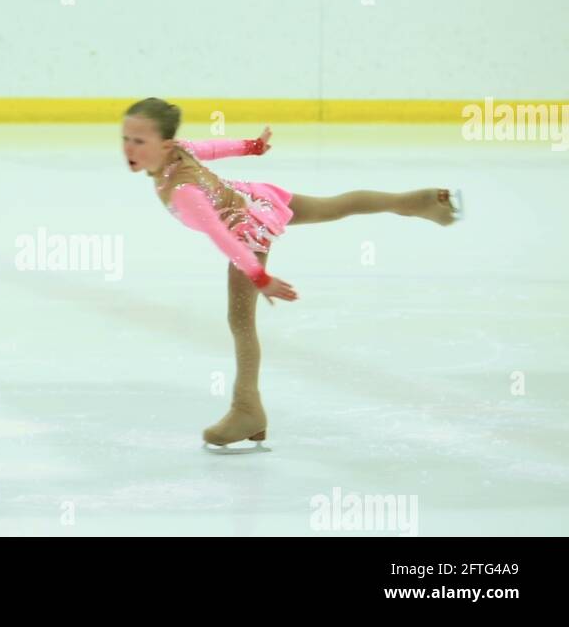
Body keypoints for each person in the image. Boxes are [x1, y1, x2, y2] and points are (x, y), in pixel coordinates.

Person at [122, 97, 463, 449]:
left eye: (139, 141)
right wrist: (251, 146)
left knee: (240, 322)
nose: (129, 148)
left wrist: (259, 277)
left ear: (164, 145)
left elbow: (222, 236)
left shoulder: (183, 192)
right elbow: (211, 148)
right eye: (126, 139)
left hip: (246, 231)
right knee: (333, 206)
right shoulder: (179, 151)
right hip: (254, 200)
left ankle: (247, 409)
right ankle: (418, 202)